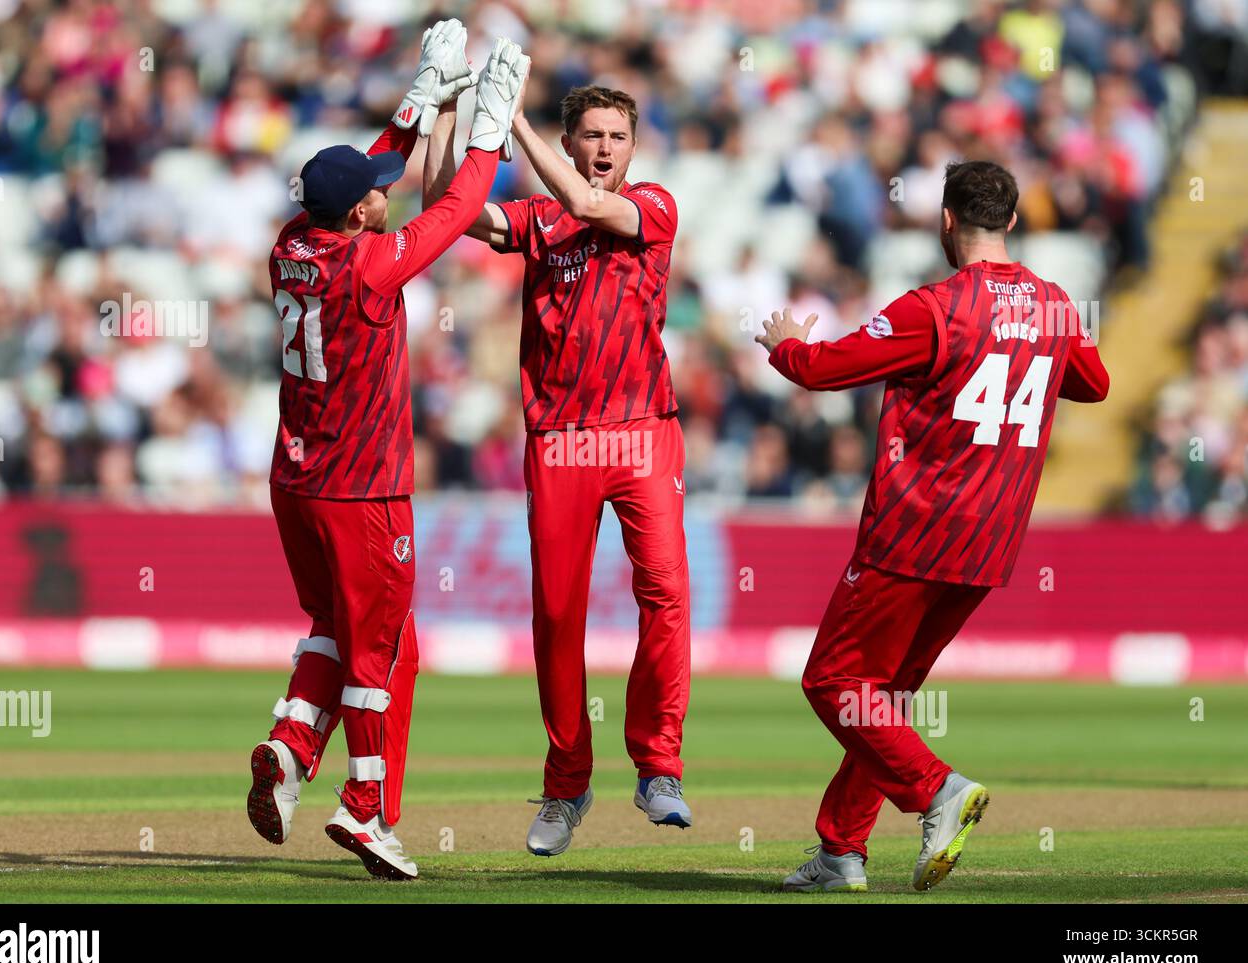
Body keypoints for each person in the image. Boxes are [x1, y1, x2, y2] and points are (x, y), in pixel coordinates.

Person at [755, 160, 1109, 893]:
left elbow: (822, 369)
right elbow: (1094, 383)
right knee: (883, 694)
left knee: (833, 680)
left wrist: (785, 341)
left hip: (916, 527)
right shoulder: (1054, 305)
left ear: (946, 220)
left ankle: (938, 790)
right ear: (1012, 221)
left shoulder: (934, 308)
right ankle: (841, 851)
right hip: (991, 541)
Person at [245, 22, 529, 880]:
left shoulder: (292, 244)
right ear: (361, 211)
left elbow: (370, 169)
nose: (381, 191)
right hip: (361, 489)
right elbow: (450, 209)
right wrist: (488, 126)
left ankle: (292, 746)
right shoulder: (370, 266)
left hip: (294, 480)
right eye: (373, 192)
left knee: (331, 623)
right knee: (384, 649)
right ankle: (366, 807)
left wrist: (420, 92)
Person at [425, 83, 692, 856]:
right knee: (558, 614)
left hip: (643, 432)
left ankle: (659, 765)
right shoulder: (539, 221)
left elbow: (589, 203)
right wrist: (446, 115)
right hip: (562, 439)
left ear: (632, 148)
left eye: (617, 135)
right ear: (570, 141)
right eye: (592, 135)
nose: (605, 147)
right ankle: (568, 780)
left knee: (666, 592)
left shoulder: (653, 205)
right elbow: (448, 210)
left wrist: (512, 122)